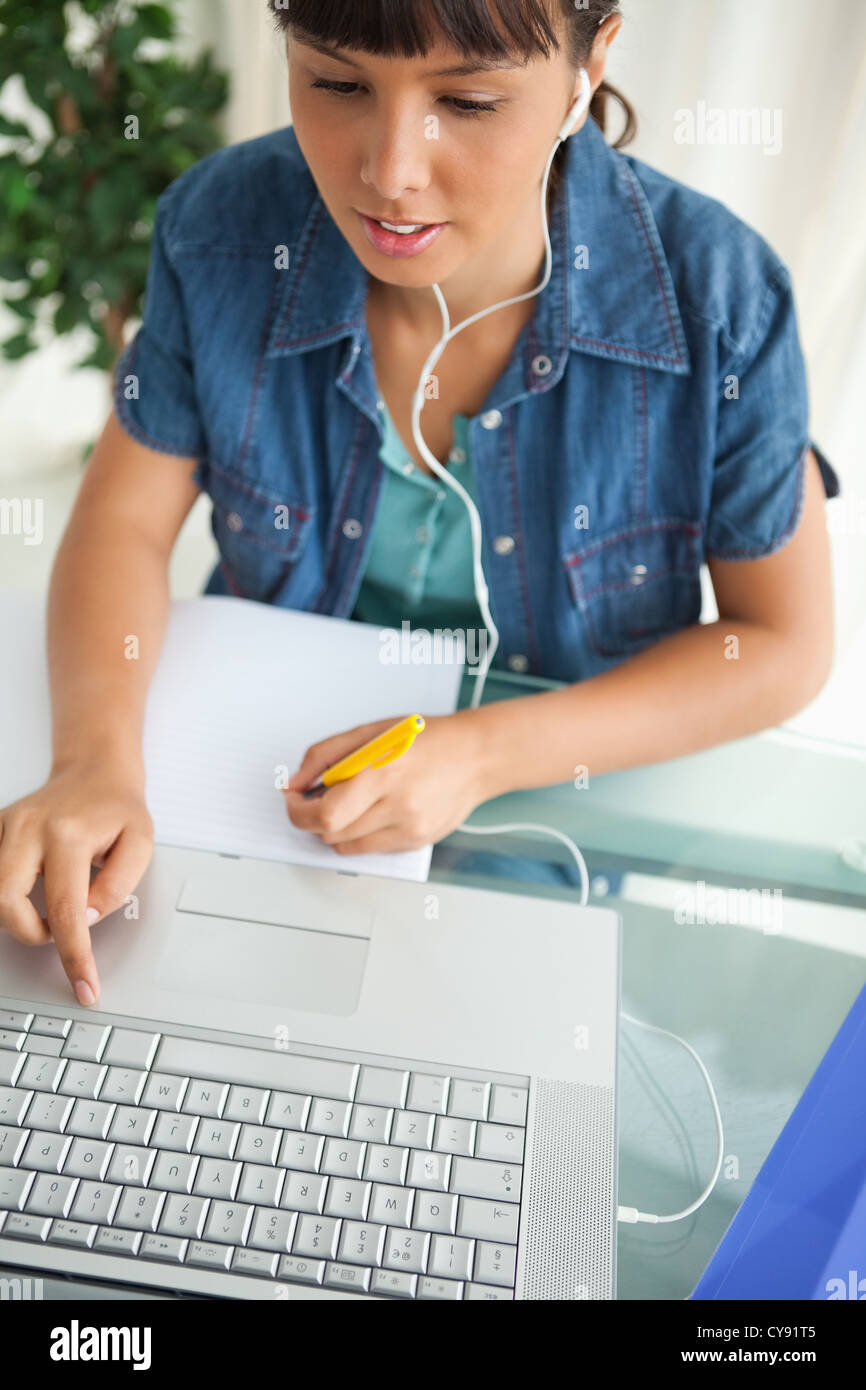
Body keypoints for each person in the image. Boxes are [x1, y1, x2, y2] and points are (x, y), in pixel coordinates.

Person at [0, 0, 839, 1005]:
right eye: (337, 82)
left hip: (559, 808)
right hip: (257, 796)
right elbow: (123, 524)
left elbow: (780, 644)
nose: (390, 171)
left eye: (469, 99)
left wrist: (481, 754)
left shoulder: (719, 300)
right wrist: (91, 761)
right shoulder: (221, 234)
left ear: (590, 62)